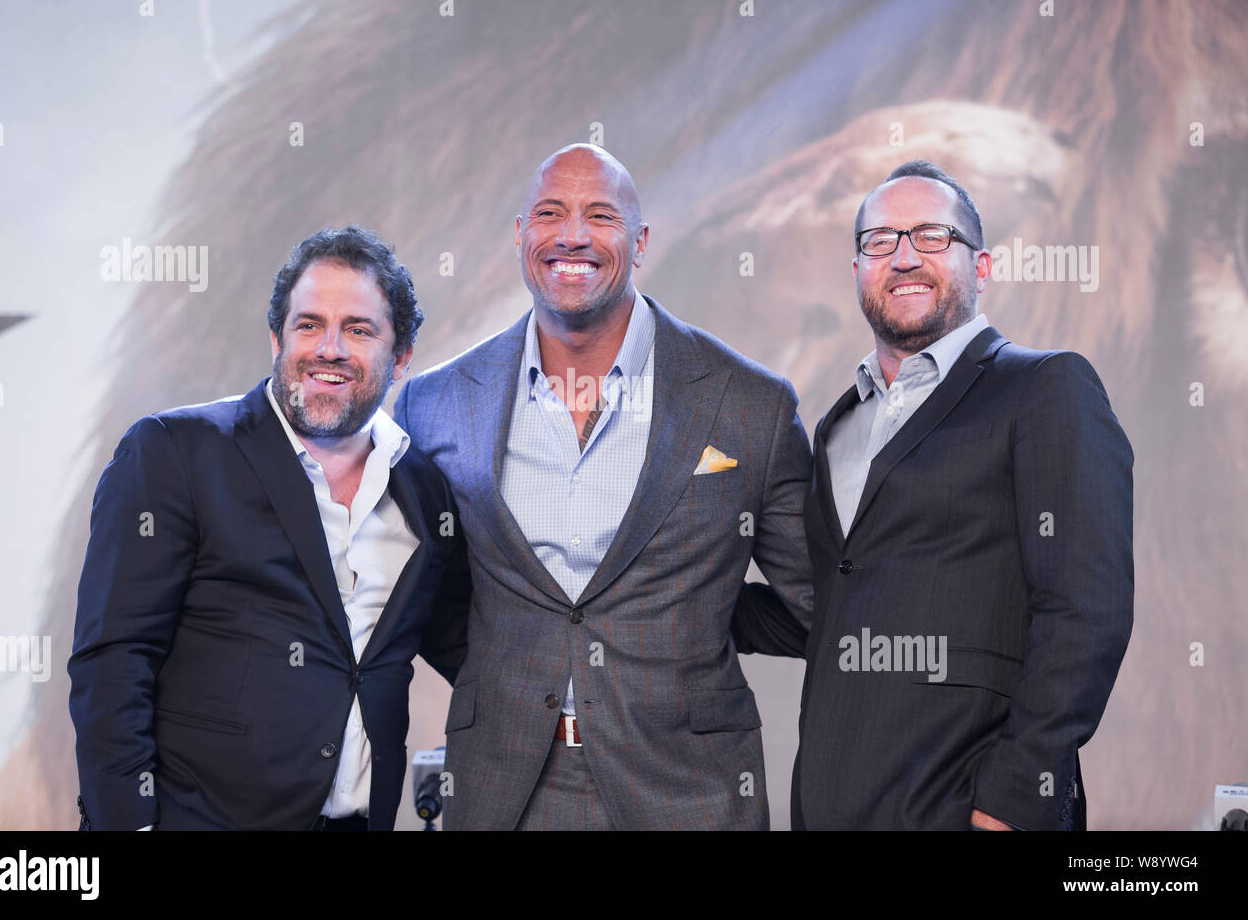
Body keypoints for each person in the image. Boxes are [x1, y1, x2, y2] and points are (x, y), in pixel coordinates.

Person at [394, 144, 814, 830]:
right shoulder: (436, 405)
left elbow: (813, 604)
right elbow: (422, 597)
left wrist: (700, 616)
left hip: (688, 792)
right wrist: (509, 666)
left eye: (600, 215)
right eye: (550, 214)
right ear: (521, 237)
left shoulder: (748, 404)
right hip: (504, 787)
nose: (572, 236)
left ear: (641, 241)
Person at [736, 160, 1133, 830]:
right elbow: (832, 608)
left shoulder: (1044, 389)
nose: (904, 257)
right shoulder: (837, 425)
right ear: (858, 269)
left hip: (966, 807)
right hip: (833, 805)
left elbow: (1085, 613)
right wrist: (682, 602)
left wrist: (1011, 806)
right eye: (880, 241)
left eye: (930, 237)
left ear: (980, 267)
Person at [68, 225, 469, 830]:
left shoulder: (422, 488)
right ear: (277, 338)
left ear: (403, 357)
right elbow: (113, 660)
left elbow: (469, 644)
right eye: (309, 324)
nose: (329, 348)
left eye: (358, 330)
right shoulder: (176, 452)